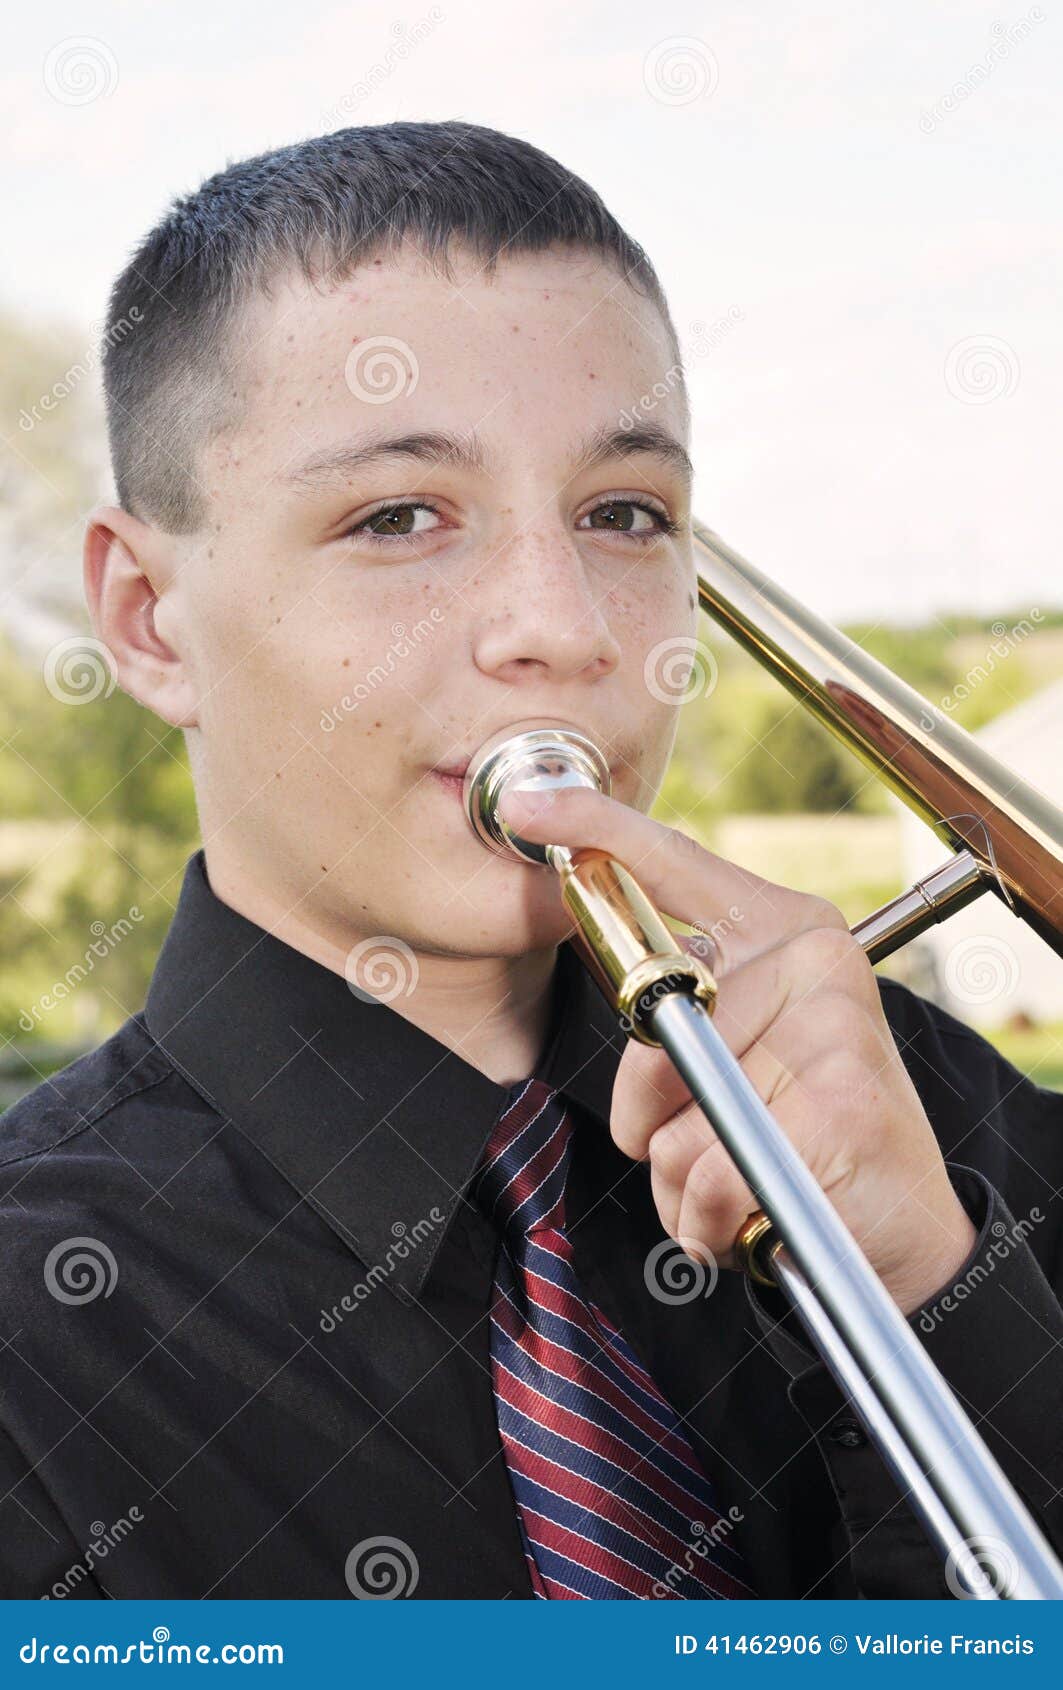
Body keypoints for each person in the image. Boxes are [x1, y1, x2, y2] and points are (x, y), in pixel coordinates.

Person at [1, 120, 1060, 1601]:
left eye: (625, 513)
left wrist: (948, 1306)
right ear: (147, 620)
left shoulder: (951, 1128)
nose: (563, 628)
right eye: (399, 516)